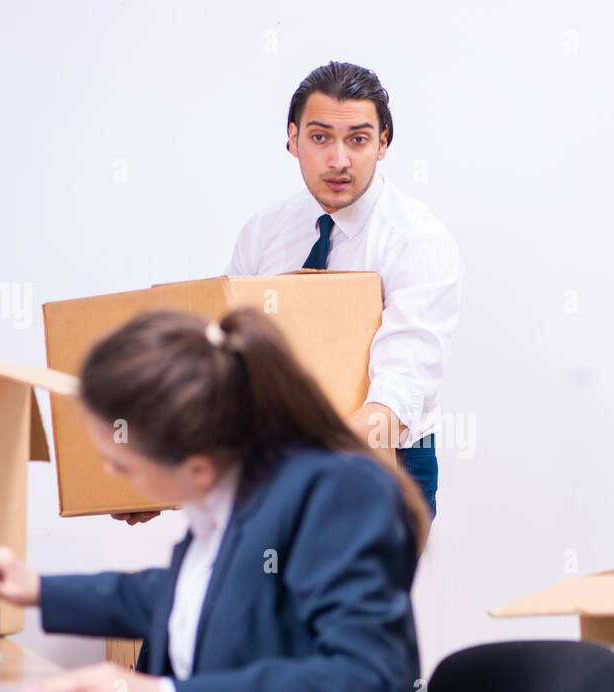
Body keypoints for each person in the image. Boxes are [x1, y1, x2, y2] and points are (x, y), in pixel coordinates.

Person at [0, 307, 470, 692]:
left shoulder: (338, 490)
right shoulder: (233, 498)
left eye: (121, 465)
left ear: (195, 466)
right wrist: (38, 588)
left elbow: (366, 678)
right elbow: (189, 598)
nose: (116, 477)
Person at [115, 60, 460, 526]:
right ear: (293, 139)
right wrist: (167, 472)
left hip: (385, 459)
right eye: (320, 138)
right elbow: (225, 366)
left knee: (345, 598)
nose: (339, 160)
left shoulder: (417, 240)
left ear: (382, 144)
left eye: (357, 139)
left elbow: (398, 399)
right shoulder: (265, 232)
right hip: (275, 459)